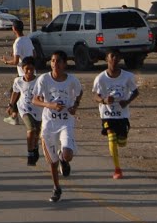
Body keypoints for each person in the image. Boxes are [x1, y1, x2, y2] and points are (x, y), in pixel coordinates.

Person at [32, 51, 84, 203]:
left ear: (65, 63)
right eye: (53, 60)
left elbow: (79, 93)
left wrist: (75, 105)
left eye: (59, 61)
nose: (55, 63)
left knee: (68, 154)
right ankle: (56, 188)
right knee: (52, 162)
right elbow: (35, 100)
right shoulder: (44, 79)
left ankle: (64, 159)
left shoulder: (72, 81)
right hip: (49, 124)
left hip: (66, 122)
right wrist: (50, 105)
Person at [93, 48, 140, 180]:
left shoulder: (127, 77)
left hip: (122, 115)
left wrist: (127, 101)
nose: (114, 59)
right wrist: (103, 100)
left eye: (116, 57)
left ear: (119, 59)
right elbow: (95, 96)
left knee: (122, 142)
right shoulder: (100, 78)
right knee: (111, 137)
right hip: (107, 114)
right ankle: (117, 169)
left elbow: (135, 92)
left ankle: (122, 139)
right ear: (107, 59)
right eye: (111, 56)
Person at [8, 58, 43, 166]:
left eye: (31, 69)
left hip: (38, 110)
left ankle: (35, 147)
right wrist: (11, 105)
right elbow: (15, 92)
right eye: (27, 69)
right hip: (24, 108)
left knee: (37, 133)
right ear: (22, 69)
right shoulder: (18, 81)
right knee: (31, 129)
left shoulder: (39, 81)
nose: (29, 71)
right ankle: (30, 153)